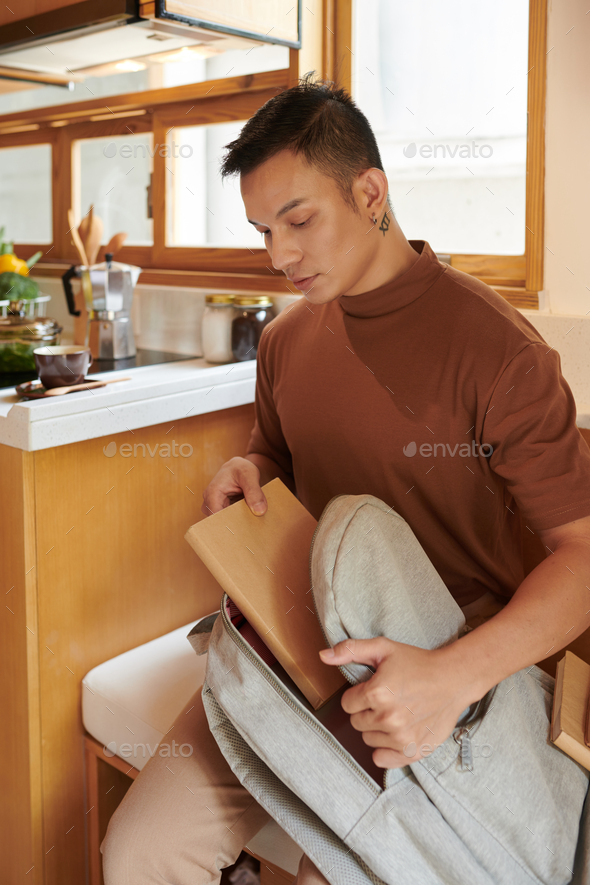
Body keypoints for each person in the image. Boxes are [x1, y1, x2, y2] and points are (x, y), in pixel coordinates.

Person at [102, 76, 590, 884]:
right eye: (264, 230)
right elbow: (278, 456)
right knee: (141, 850)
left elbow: (580, 556)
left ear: (370, 192)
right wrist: (248, 471)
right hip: (295, 647)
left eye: (299, 220)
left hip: (444, 658)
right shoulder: (286, 341)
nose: (280, 255)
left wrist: (451, 677)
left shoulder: (499, 352)